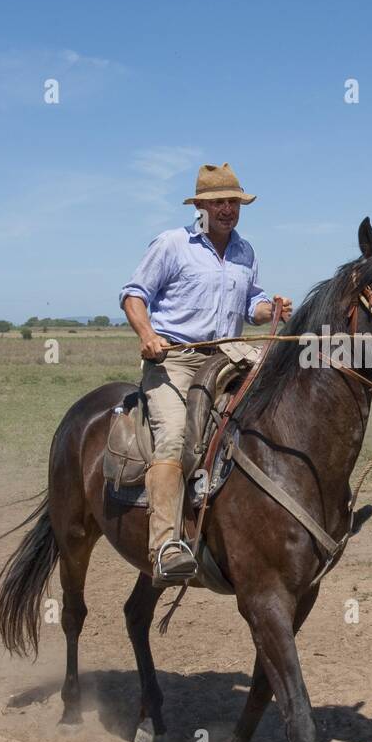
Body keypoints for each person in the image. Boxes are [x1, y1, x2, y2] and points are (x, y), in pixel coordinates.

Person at [119, 163, 292, 580]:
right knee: (176, 437)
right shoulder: (172, 244)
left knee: (281, 405)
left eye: (233, 201)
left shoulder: (245, 252)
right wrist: (146, 335)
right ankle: (164, 545)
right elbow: (133, 295)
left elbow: (253, 305)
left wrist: (275, 310)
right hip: (175, 358)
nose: (227, 209)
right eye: (218, 202)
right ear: (201, 206)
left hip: (230, 354)